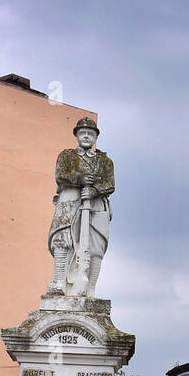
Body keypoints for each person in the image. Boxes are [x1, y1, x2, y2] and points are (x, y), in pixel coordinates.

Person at [47, 117, 114, 297]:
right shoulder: (67, 156)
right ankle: (60, 283)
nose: (86, 136)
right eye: (82, 133)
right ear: (76, 135)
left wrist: (94, 191)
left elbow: (110, 184)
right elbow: (60, 175)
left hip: (96, 204)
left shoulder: (104, 161)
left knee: (96, 248)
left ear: (95, 138)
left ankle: (90, 290)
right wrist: (80, 179)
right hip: (69, 200)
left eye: (90, 133)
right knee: (62, 240)